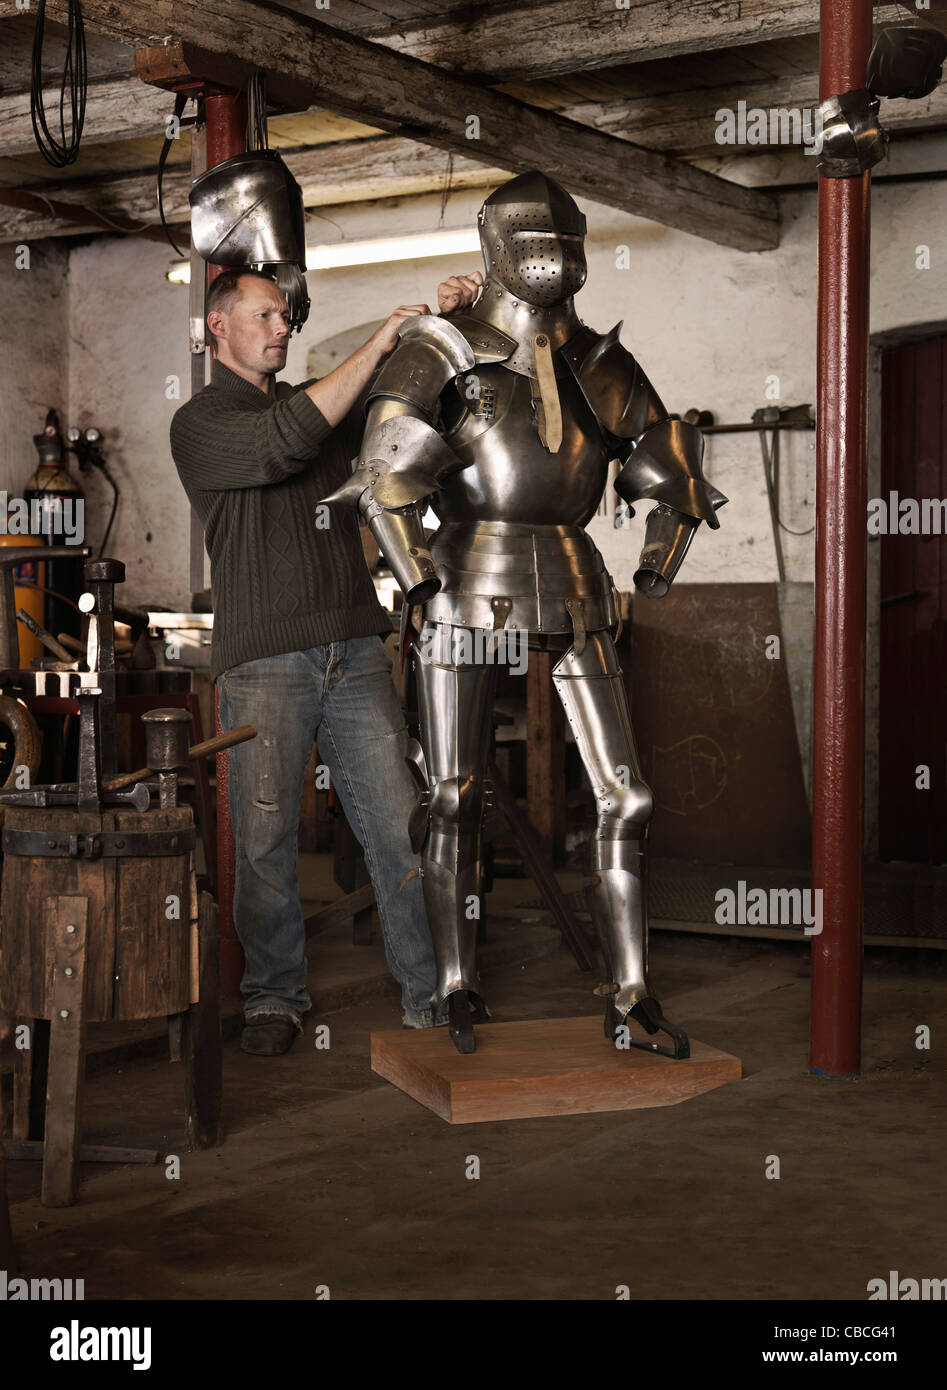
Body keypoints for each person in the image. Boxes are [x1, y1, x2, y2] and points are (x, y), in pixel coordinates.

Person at [170, 266, 484, 1055]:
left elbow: (410, 420)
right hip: (265, 659)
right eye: (265, 314)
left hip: (355, 641)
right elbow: (283, 445)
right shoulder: (202, 420)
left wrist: (451, 326)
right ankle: (274, 998)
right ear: (219, 328)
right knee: (266, 839)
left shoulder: (321, 410)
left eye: (285, 316)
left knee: (400, 825)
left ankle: (432, 992)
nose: (283, 327)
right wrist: (381, 338)